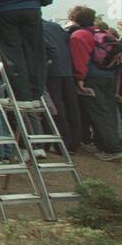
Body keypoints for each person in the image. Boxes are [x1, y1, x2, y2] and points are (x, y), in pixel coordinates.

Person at [67, 5, 122, 160]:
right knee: (109, 111)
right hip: (110, 76)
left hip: (92, 78)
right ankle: (113, 144)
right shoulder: (104, 33)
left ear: (74, 19)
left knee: (98, 113)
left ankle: (112, 149)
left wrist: (79, 78)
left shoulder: (79, 35)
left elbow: (80, 59)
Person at [43, 17, 81, 152]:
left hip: (51, 71)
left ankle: (61, 144)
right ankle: (74, 142)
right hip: (67, 70)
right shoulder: (55, 26)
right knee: (72, 107)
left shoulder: (35, 27)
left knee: (55, 108)